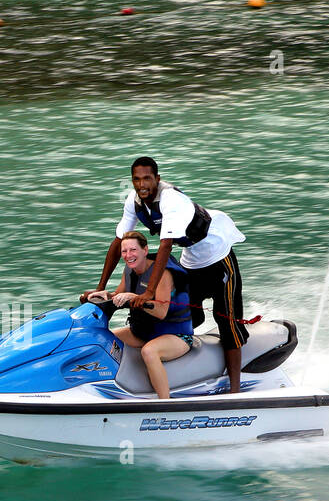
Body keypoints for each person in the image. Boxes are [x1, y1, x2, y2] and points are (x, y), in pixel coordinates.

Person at [81, 156, 250, 392]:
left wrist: (149, 292)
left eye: (147, 179)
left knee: (227, 323)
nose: (142, 185)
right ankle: (192, 371)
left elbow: (165, 246)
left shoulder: (170, 199)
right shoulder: (135, 201)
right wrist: (100, 287)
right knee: (187, 315)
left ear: (157, 179)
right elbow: (119, 241)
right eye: (137, 179)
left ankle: (235, 392)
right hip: (192, 258)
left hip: (218, 255)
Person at [86, 231, 194, 400]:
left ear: (145, 250)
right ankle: (108, 390)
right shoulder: (129, 272)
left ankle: (165, 403)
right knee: (104, 339)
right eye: (124, 251)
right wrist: (104, 296)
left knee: (149, 352)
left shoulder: (163, 274)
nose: (128, 255)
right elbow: (118, 297)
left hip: (176, 335)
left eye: (133, 250)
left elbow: (161, 311)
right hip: (144, 332)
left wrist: (135, 298)